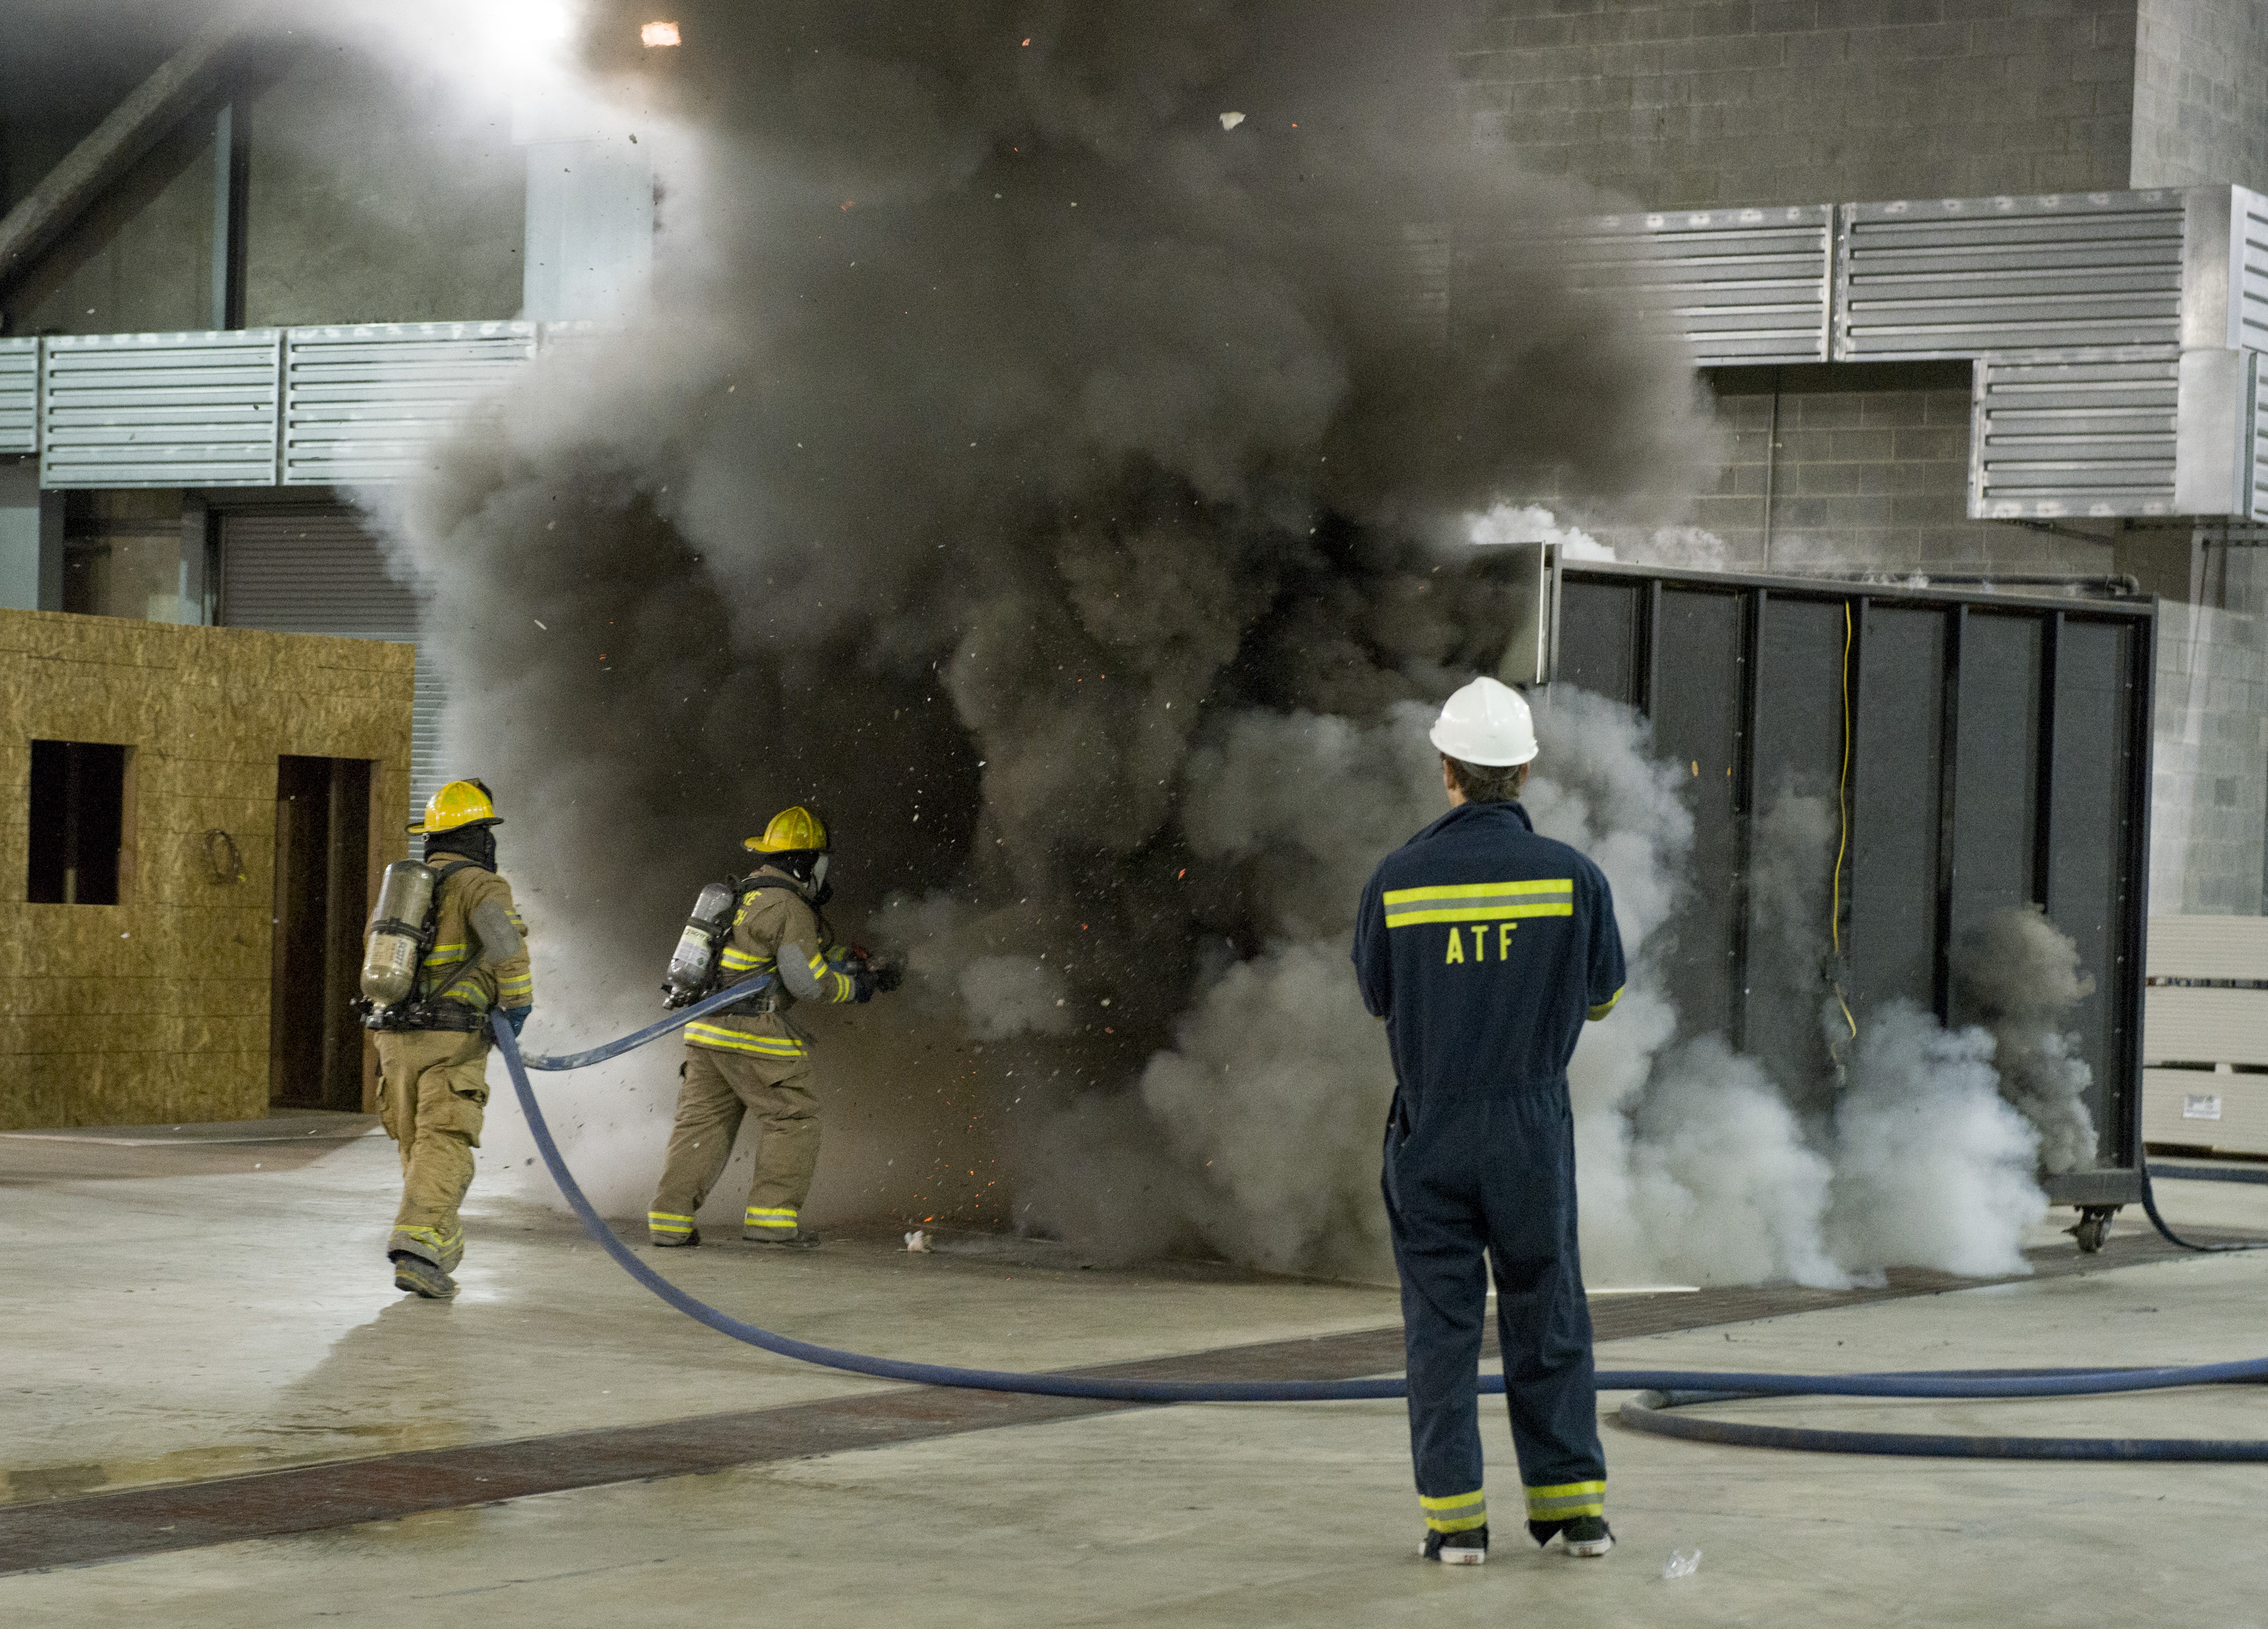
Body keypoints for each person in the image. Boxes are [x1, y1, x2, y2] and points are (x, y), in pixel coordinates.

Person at [1353, 675, 1625, 1568]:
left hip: (1431, 1128)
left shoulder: (1396, 879)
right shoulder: (1574, 877)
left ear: (1448, 771)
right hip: (1529, 1128)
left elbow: (1377, 995)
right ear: (1525, 772)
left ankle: (1457, 1525)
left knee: (1442, 1326)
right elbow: (1603, 998)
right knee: (1547, 1309)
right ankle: (1575, 1513)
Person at [647, 805, 898, 1250]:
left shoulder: (744, 895)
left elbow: (791, 957)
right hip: (752, 1029)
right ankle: (771, 1220)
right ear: (805, 862)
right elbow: (808, 980)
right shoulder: (790, 905)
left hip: (706, 1030)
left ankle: (669, 1220)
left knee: (701, 1123)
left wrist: (853, 960)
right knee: (793, 1116)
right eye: (820, 859)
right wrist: (860, 986)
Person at [376, 778, 534, 1301]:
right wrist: (518, 1004)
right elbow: (506, 944)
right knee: (446, 1138)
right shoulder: (479, 885)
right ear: (479, 836)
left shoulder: (405, 889)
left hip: (393, 1034)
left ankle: (435, 1242)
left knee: (418, 1141)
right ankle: (417, 1243)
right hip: (451, 1035)